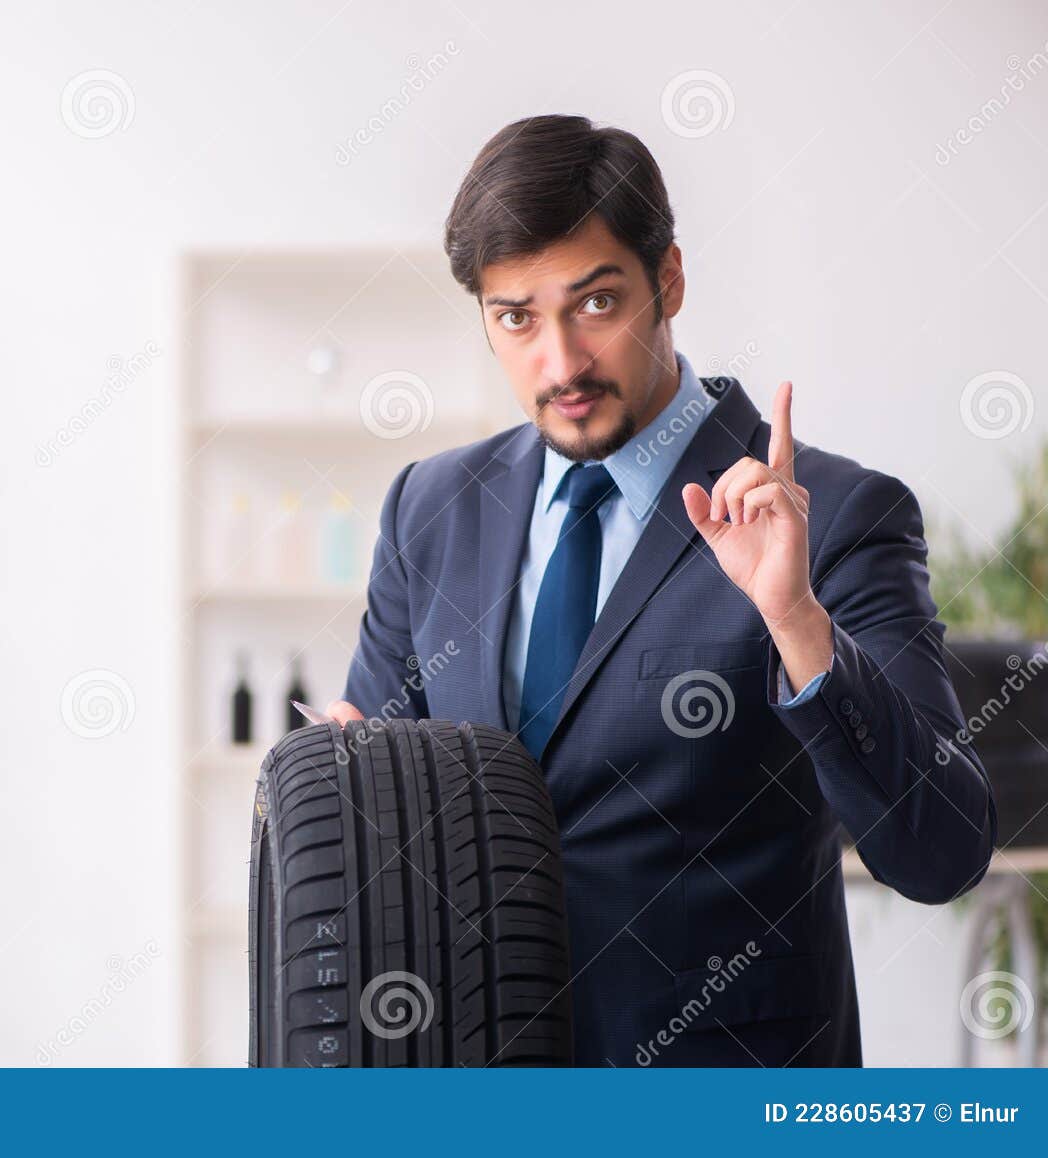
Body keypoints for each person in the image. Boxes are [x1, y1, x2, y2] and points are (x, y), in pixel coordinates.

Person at [326, 114, 996, 1066]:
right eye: (517, 317)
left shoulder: (839, 515)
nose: (559, 364)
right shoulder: (431, 508)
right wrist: (356, 791)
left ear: (668, 278)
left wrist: (795, 620)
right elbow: (390, 802)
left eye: (596, 304)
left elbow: (941, 852)